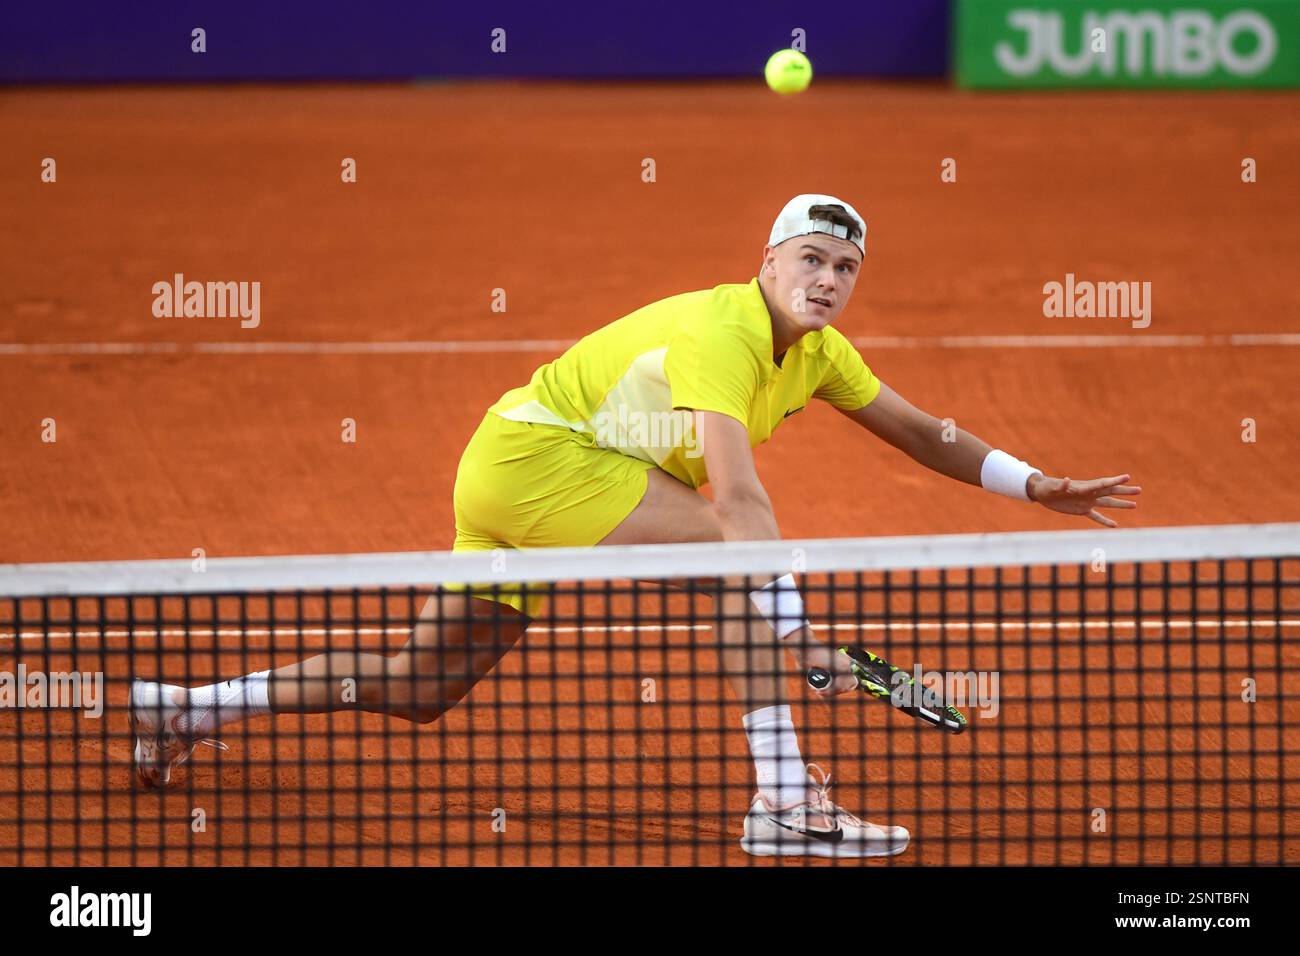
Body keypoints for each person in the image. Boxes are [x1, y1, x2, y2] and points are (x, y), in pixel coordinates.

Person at [130, 194, 1140, 857]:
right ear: (768, 260)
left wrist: (1033, 483)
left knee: (420, 682)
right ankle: (784, 802)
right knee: (734, 562)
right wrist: (800, 634)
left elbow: (923, 433)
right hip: (541, 462)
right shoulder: (725, 335)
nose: (826, 278)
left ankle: (184, 706)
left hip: (515, 461)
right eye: (809, 258)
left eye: (844, 265)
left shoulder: (819, 354)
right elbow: (736, 504)